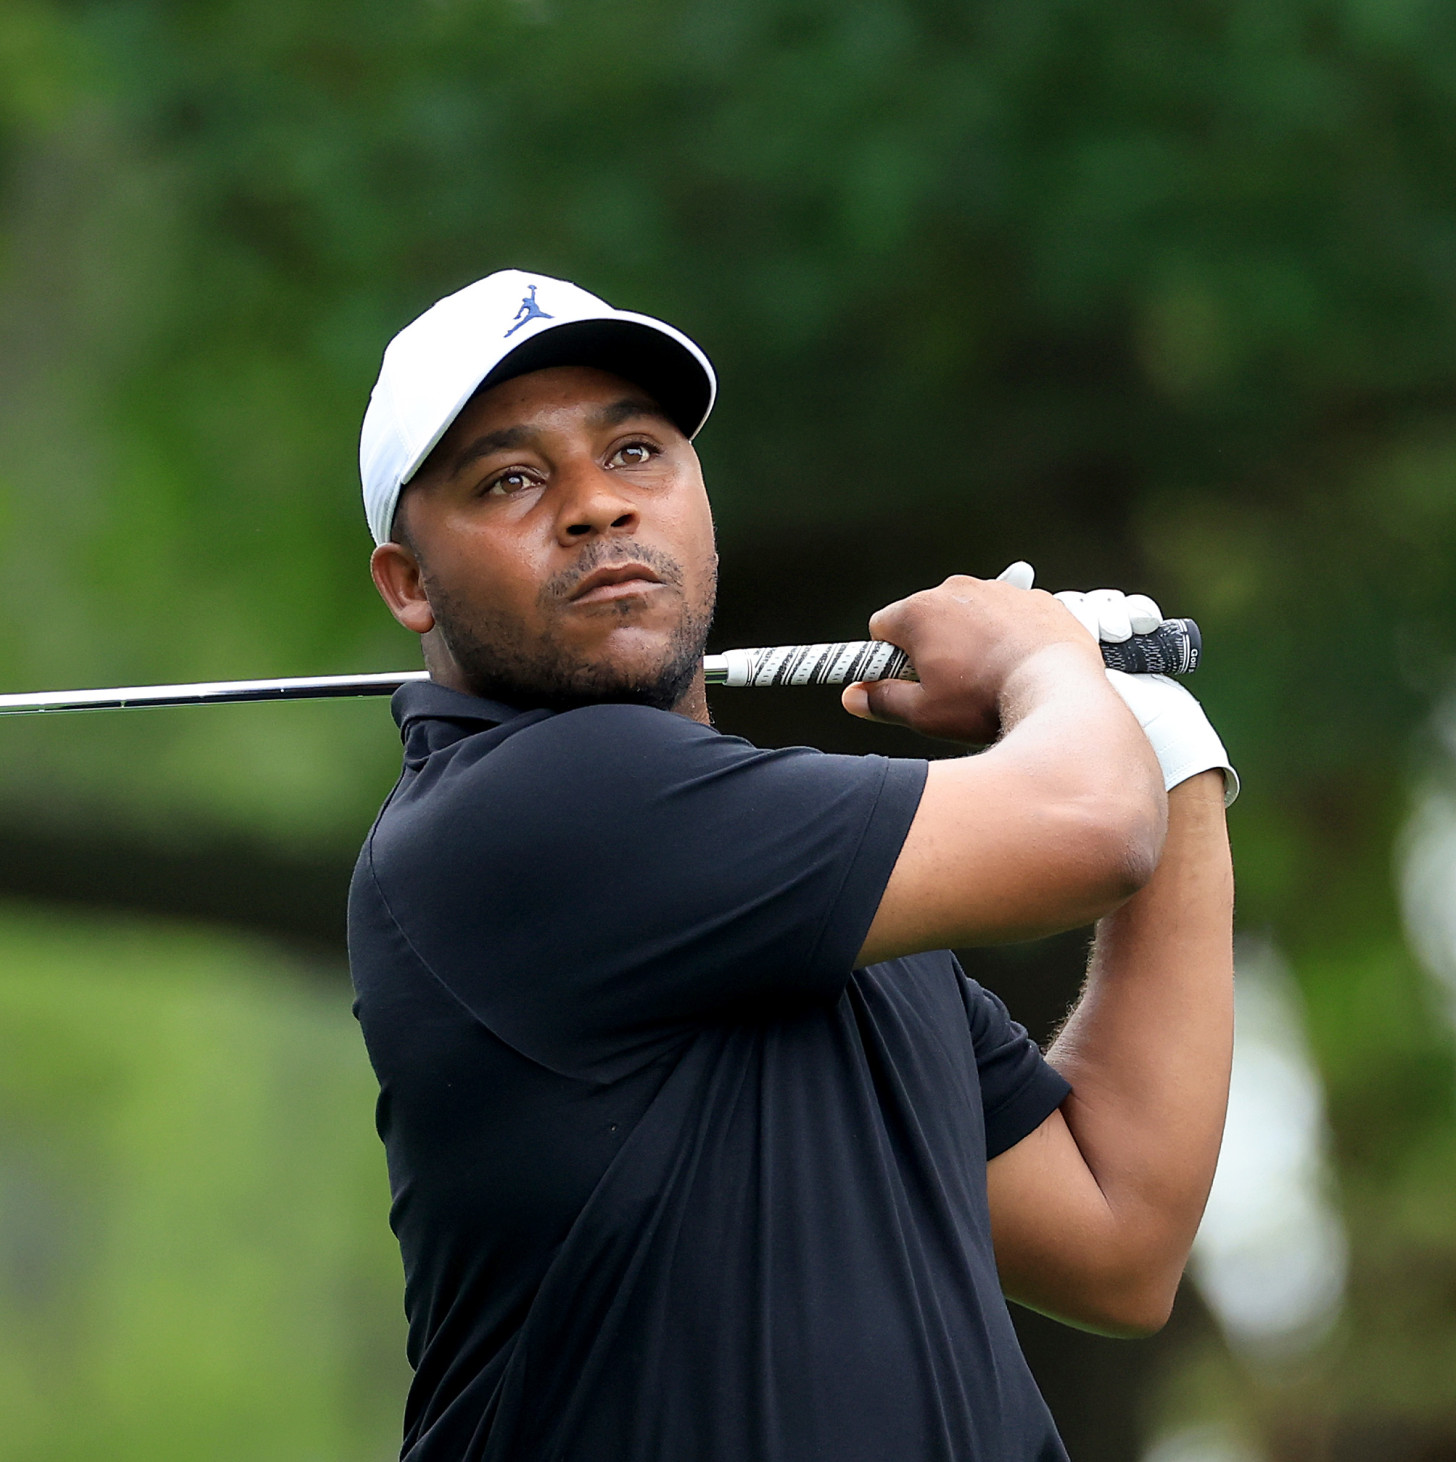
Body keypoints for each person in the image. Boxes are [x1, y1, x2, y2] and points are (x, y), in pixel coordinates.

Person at [346, 270, 1238, 1461]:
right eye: (512, 479)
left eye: (637, 452)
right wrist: (1045, 661)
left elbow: (1120, 1237)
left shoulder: (813, 869)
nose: (596, 506)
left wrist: (1165, 745)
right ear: (409, 581)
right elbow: (1085, 824)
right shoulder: (521, 812)